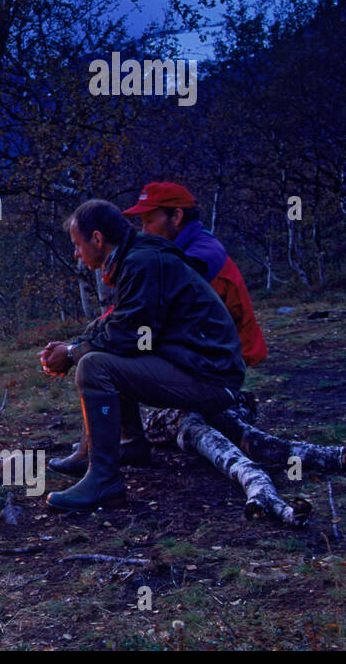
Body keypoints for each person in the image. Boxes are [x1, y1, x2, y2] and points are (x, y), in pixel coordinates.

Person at [39, 200, 245, 511]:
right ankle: (126, 446)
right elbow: (118, 320)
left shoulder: (142, 263)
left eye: (77, 245)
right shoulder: (135, 257)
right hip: (197, 364)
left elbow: (129, 336)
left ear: (97, 239)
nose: (76, 254)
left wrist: (72, 353)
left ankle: (105, 481)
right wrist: (74, 344)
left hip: (212, 377)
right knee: (96, 355)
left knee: (96, 366)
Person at [124, 182, 267, 367]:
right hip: (212, 350)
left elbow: (152, 305)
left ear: (176, 216)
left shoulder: (199, 258)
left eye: (149, 221)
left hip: (226, 358)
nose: (144, 231)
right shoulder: (185, 248)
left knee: (116, 365)